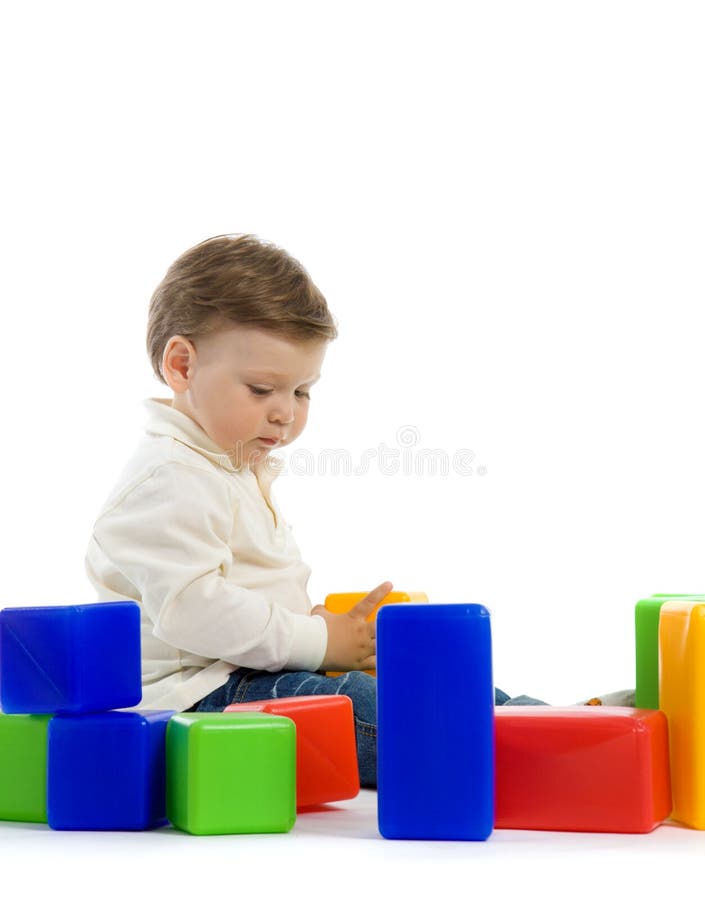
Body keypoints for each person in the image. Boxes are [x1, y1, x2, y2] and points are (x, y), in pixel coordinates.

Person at [85, 233, 547, 791]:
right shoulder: (170, 477)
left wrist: (331, 640)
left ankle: (556, 720)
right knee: (370, 705)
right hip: (198, 698)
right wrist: (321, 643)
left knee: (426, 673)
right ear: (182, 366)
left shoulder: (225, 463)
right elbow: (193, 610)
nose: (285, 414)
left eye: (302, 392)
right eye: (262, 390)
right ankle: (539, 756)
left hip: (252, 672)